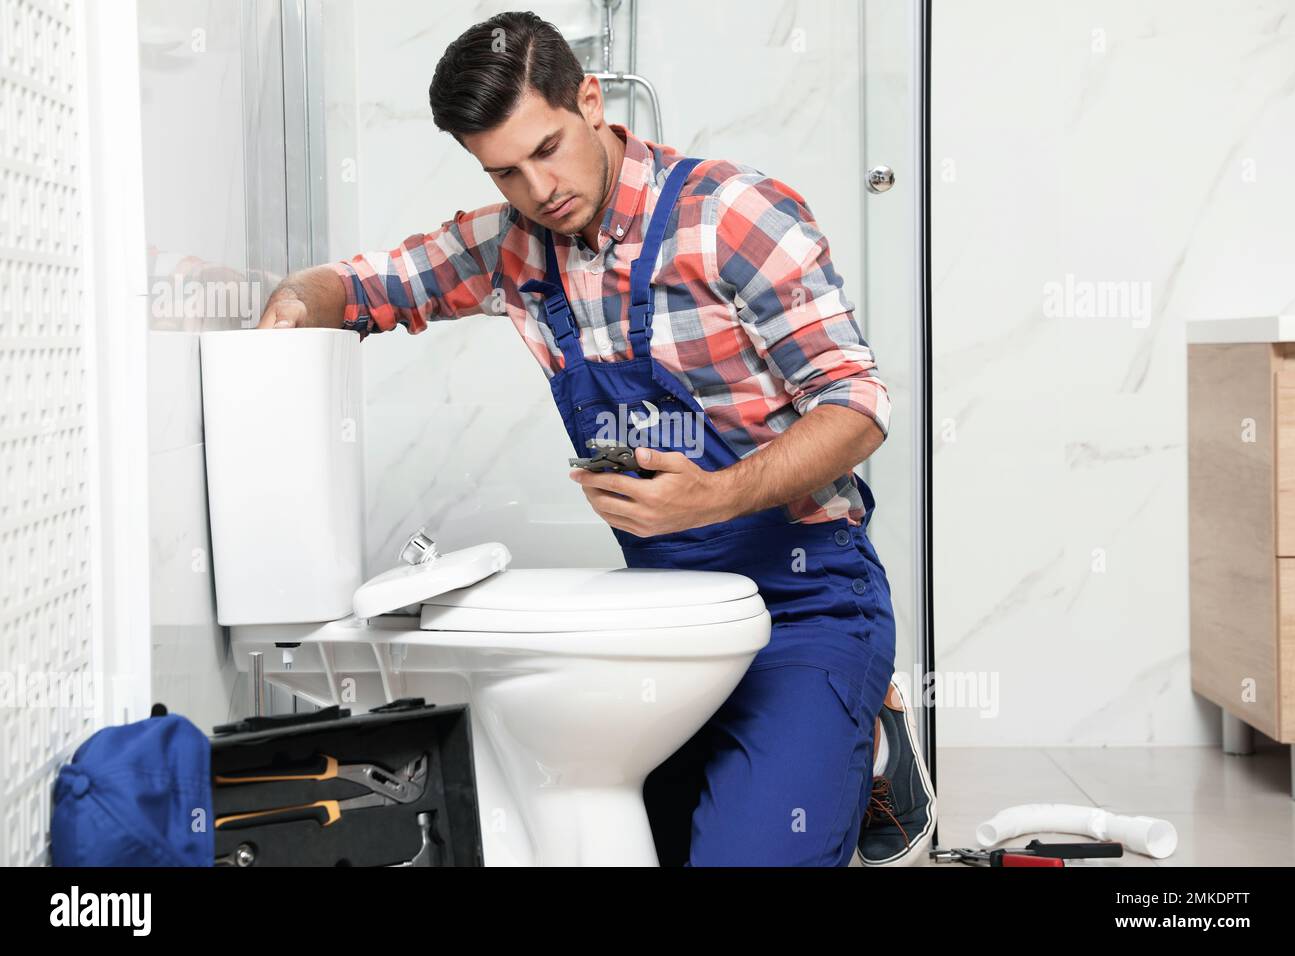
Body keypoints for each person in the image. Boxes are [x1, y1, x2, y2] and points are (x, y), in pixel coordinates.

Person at [257, 10, 933, 866]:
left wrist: (718, 495)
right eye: (506, 172)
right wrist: (289, 307)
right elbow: (364, 286)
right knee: (590, 836)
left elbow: (858, 404)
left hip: (807, 595)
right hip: (666, 613)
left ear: (588, 100)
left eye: (547, 148)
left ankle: (870, 746)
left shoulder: (731, 217)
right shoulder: (513, 248)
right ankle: (833, 747)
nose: (539, 190)